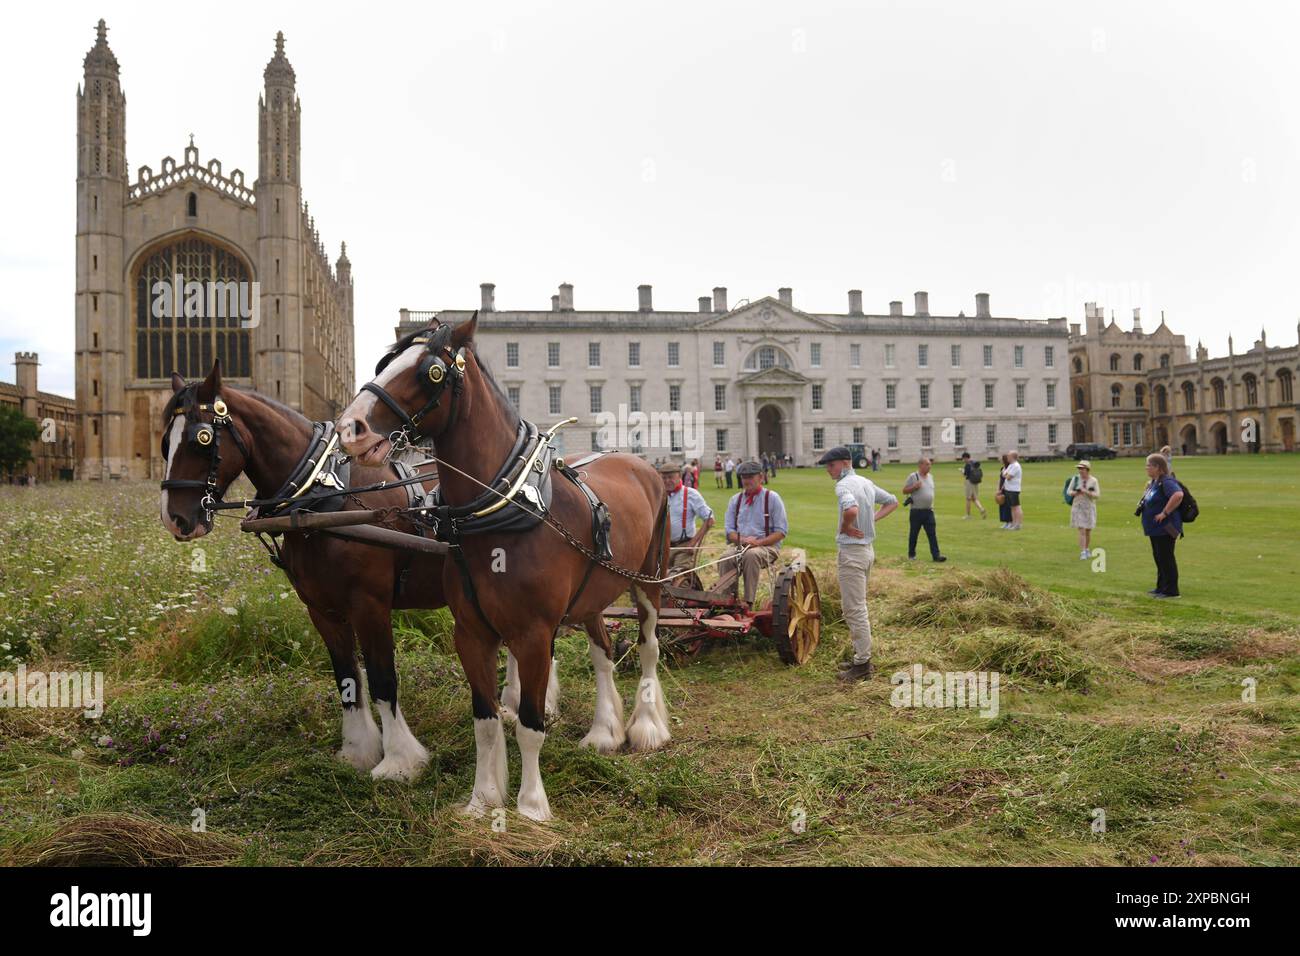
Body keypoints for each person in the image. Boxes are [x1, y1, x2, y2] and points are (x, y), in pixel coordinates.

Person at [817, 446, 899, 683]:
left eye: (830, 466)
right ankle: (860, 657)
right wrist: (871, 519)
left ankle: (863, 664)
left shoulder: (843, 485)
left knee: (854, 609)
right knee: (857, 607)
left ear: (844, 463)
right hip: (867, 551)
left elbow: (851, 509)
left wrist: (846, 526)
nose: (828, 471)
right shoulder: (865, 481)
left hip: (852, 553)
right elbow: (892, 502)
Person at [715, 460, 788, 608]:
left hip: (767, 548)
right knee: (725, 558)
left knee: (751, 555)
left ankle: (748, 602)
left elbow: (781, 532)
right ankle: (728, 601)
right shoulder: (735, 500)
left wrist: (758, 543)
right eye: (744, 477)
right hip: (741, 546)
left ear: (761, 477)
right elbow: (729, 532)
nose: (746, 481)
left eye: (750, 477)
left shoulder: (772, 498)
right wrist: (743, 540)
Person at [1139, 452, 1184, 598]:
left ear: (1157, 467)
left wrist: (1165, 512)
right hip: (1155, 528)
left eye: (1148, 465)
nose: (1146, 468)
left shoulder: (1167, 481)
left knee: (1166, 557)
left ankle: (1171, 590)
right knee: (1159, 557)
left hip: (1166, 528)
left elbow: (1178, 495)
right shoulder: (1154, 482)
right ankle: (1161, 587)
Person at [659, 461, 715, 576]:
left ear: (679, 476)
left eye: (670, 477)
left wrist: (693, 543)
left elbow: (709, 520)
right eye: (664, 478)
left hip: (683, 548)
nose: (667, 481)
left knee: (677, 580)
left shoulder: (691, 494)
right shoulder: (658, 496)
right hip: (662, 548)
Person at [902, 457, 947, 562]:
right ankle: (911, 555)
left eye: (930, 464)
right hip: (916, 511)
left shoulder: (931, 477)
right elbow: (904, 491)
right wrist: (914, 487)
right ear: (920, 465)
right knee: (914, 534)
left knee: (932, 534)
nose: (929, 466)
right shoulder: (913, 476)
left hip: (929, 510)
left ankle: (936, 556)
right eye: (927, 464)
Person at [1067, 459, 1100, 559]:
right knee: (1081, 529)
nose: (1080, 471)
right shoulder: (1075, 479)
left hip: (1089, 508)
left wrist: (1086, 492)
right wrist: (1075, 492)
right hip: (1078, 506)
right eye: (1079, 468)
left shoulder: (1093, 480)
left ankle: (1086, 548)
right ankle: (1083, 552)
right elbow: (1069, 491)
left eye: (1082, 469)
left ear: (1087, 469)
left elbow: (1097, 495)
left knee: (1087, 531)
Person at [960, 451, 987, 519]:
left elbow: (965, 474)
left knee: (968, 499)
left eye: (963, 458)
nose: (963, 460)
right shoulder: (974, 463)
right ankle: (981, 509)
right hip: (976, 482)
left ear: (966, 458)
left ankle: (968, 515)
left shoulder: (967, 465)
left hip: (969, 482)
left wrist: (962, 471)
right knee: (974, 498)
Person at [1001, 450, 1023, 530]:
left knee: (1016, 506)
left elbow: (1008, 477)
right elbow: (1004, 474)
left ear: (1013, 457)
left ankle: (1018, 524)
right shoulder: (1011, 465)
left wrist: (1006, 474)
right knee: (1012, 507)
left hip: (1014, 489)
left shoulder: (1016, 466)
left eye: (1009, 456)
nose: (1007, 458)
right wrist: (1005, 474)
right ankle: (1014, 523)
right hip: (1008, 488)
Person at [996, 453, 1012, 527]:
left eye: (1001, 459)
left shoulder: (1009, 469)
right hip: (1001, 489)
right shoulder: (1002, 469)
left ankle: (1010, 521)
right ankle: (1005, 521)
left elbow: (1007, 480)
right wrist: (998, 489)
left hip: (1007, 488)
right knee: (1002, 505)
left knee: (1008, 506)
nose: (1000, 460)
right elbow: (1000, 479)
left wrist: (1002, 488)